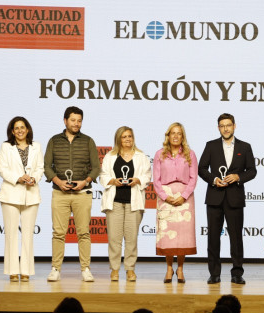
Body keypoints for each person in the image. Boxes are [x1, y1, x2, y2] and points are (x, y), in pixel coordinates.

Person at [197, 113, 257, 285]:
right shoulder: (211, 145)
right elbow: (201, 168)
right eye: (222, 125)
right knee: (213, 237)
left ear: (234, 126)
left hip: (235, 198)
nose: (225, 128)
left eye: (228, 125)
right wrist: (214, 180)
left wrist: (238, 177)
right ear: (218, 128)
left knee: (236, 238)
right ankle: (214, 273)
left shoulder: (245, 147)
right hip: (214, 197)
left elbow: (252, 171)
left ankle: (237, 273)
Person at [44, 106, 100, 282]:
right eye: (73, 120)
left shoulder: (88, 141)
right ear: (65, 121)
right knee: (58, 233)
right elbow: (46, 166)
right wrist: (58, 182)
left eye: (79, 120)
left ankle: (85, 269)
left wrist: (85, 181)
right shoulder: (54, 140)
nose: (76, 124)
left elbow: (96, 167)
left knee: (83, 233)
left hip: (82, 193)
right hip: (59, 193)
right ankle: (55, 269)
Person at [99, 126, 152, 282]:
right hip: (114, 202)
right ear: (118, 139)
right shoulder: (110, 156)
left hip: (133, 203)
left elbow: (147, 175)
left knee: (131, 239)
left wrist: (138, 180)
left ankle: (130, 269)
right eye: (124, 137)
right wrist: (112, 181)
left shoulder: (141, 156)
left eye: (130, 136)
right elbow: (103, 176)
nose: (128, 139)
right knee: (114, 239)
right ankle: (114, 269)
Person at [0, 116, 44, 282]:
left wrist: (34, 178)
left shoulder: (36, 146)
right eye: (16, 128)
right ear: (12, 131)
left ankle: (26, 271)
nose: (20, 130)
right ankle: (12, 270)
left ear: (28, 129)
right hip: (10, 194)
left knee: (27, 235)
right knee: (11, 234)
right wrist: (19, 177)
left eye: (22, 127)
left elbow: (40, 167)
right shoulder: (6, 147)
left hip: (31, 195)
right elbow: (2, 170)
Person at [153, 122, 198, 283]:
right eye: (173, 133)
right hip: (166, 199)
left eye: (179, 133)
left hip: (185, 200)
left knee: (183, 238)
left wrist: (184, 195)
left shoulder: (189, 154)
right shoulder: (160, 154)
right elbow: (156, 180)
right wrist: (166, 197)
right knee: (168, 237)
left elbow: (193, 179)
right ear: (168, 135)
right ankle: (169, 268)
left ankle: (180, 269)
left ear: (183, 136)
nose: (176, 136)